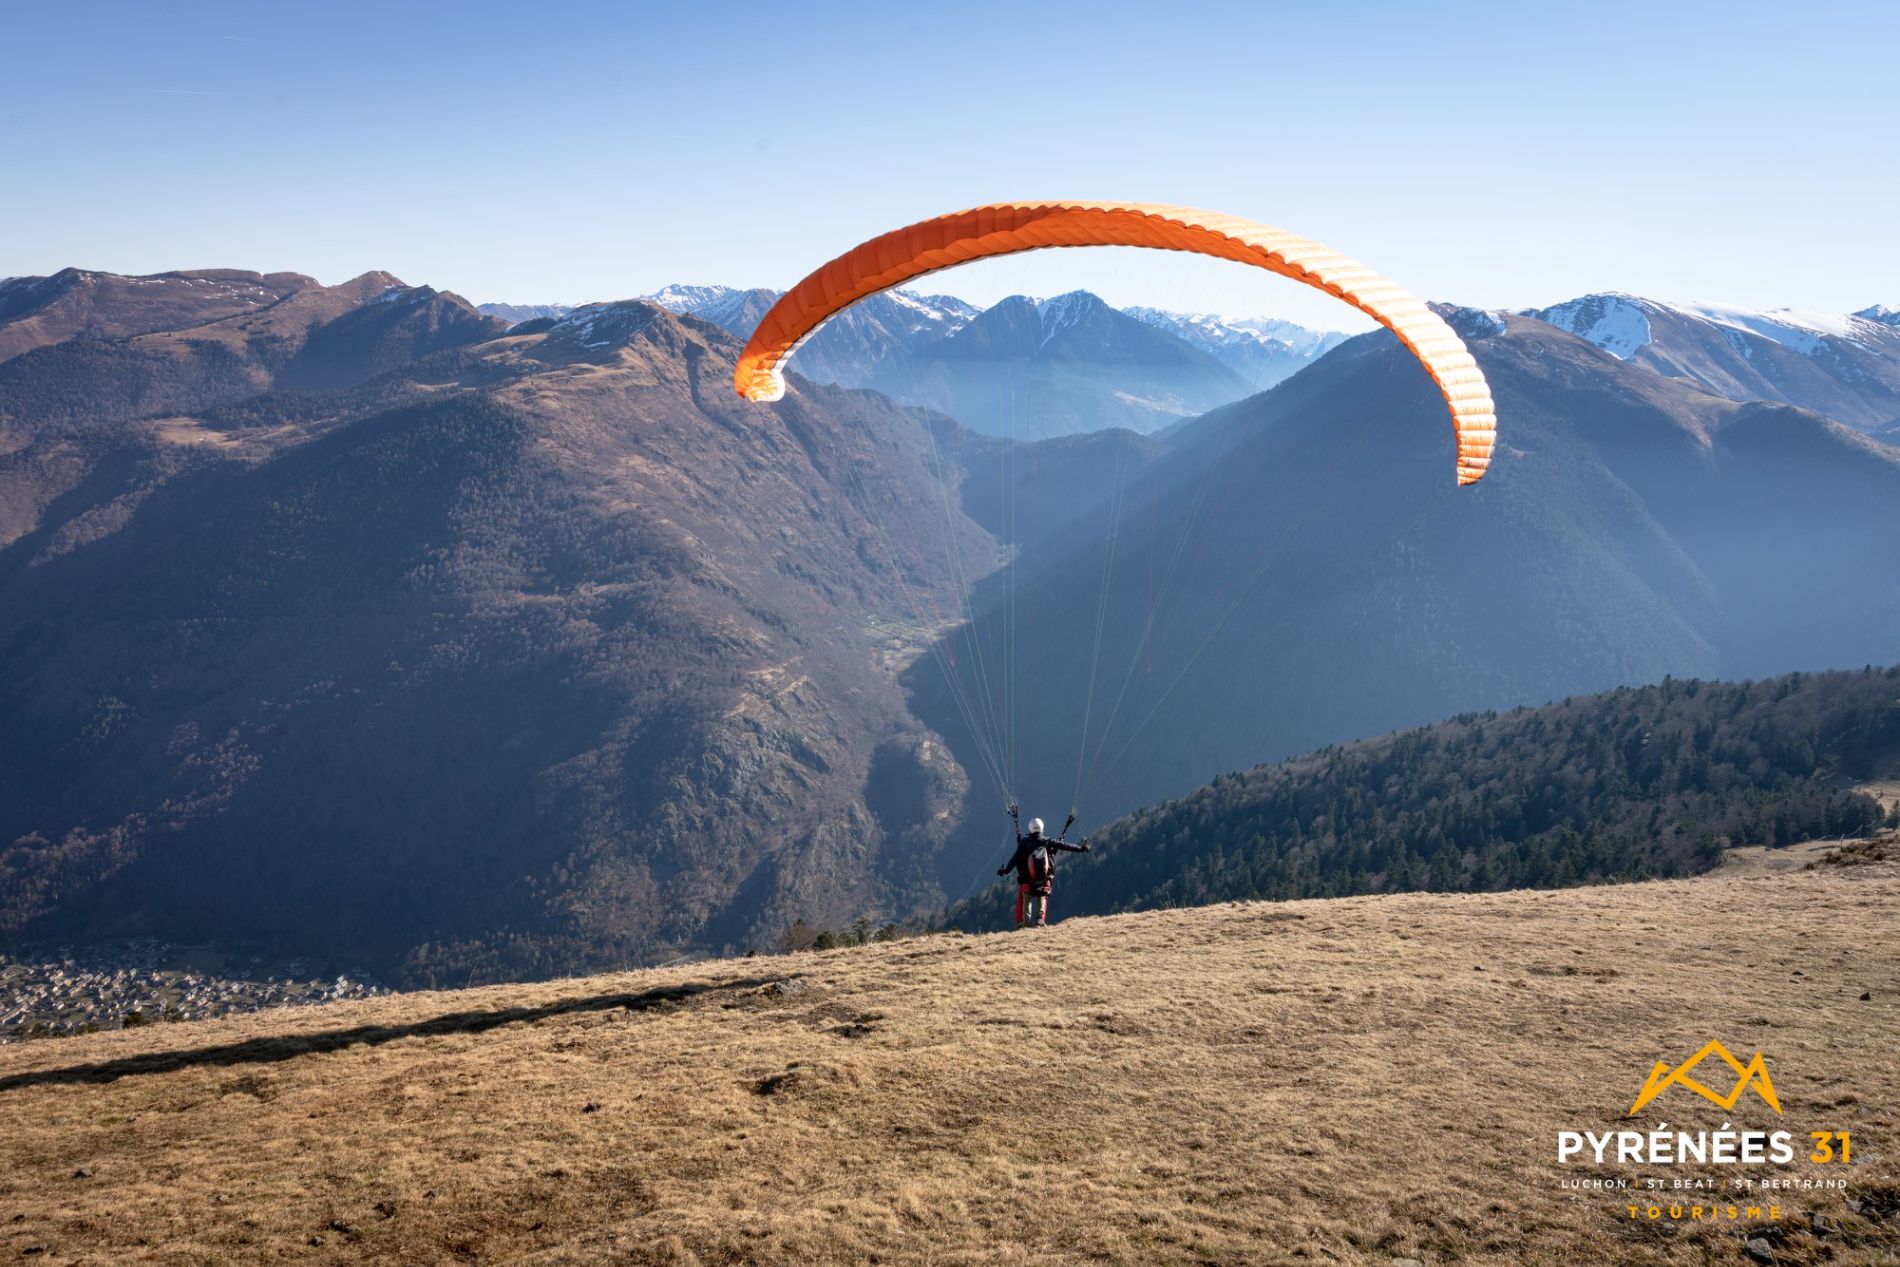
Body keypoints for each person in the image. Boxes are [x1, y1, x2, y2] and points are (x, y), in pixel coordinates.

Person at [997, 803, 1089, 928]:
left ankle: (1026, 922)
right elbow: (1065, 846)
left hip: (1027, 879)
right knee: (1042, 896)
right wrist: (1081, 848)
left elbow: (1015, 859)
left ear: (1030, 828)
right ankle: (1040, 920)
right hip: (1044, 879)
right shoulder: (1048, 841)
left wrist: (1005, 871)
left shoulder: (1024, 843)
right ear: (1041, 828)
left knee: (1027, 897)